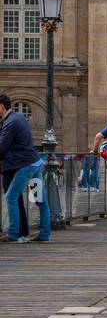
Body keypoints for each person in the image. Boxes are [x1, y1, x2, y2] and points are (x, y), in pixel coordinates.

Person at [0, 94, 50, 243]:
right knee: (40, 201)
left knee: (10, 196)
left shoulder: (10, 123)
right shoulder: (19, 117)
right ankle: (44, 234)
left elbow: (1, 148)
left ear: (1, 106)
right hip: (35, 162)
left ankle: (13, 234)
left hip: (24, 165)